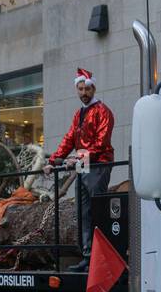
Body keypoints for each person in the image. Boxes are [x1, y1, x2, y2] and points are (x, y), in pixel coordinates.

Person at [45, 68, 115, 272]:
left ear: (94, 88)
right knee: (83, 211)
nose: (84, 93)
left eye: (87, 89)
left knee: (96, 210)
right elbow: (69, 138)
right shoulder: (79, 114)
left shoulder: (103, 111)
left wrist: (76, 159)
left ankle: (101, 258)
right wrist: (53, 160)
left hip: (99, 163)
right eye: (80, 89)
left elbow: (101, 143)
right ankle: (88, 256)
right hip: (83, 163)